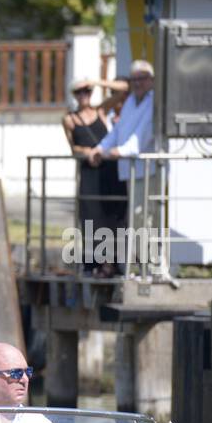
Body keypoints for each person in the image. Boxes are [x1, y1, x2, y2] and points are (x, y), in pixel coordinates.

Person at [86, 61, 157, 272]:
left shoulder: (153, 102)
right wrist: (100, 148)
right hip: (130, 171)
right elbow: (117, 133)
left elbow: (142, 135)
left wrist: (122, 151)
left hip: (148, 169)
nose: (138, 83)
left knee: (147, 217)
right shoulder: (129, 103)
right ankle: (137, 266)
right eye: (134, 79)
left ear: (151, 80)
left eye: (143, 78)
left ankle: (149, 267)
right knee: (135, 218)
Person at [63, 77, 128, 274]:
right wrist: (88, 153)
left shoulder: (101, 110)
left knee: (113, 214)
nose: (84, 96)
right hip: (89, 170)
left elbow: (124, 90)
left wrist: (98, 82)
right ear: (74, 95)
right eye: (79, 92)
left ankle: (113, 262)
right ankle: (95, 262)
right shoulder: (69, 119)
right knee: (92, 215)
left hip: (108, 169)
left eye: (87, 91)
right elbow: (73, 148)